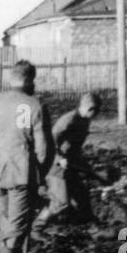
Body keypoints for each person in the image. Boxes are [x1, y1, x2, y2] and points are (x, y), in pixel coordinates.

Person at [0, 60, 53, 253]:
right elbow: (43, 149)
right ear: (31, 80)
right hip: (21, 174)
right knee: (17, 228)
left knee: (5, 221)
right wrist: (40, 175)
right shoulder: (35, 105)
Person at [34, 92, 100, 231]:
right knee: (60, 202)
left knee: (82, 195)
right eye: (96, 111)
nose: (96, 115)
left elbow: (74, 147)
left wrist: (83, 165)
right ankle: (36, 228)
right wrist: (60, 158)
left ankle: (87, 226)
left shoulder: (84, 120)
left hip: (69, 165)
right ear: (91, 109)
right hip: (56, 166)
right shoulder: (69, 120)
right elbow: (49, 141)